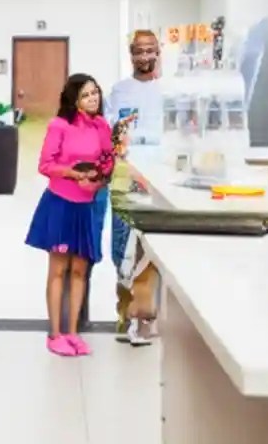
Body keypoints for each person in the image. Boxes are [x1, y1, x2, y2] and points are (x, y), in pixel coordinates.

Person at [26, 73, 113, 357]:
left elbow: (107, 161)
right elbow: (45, 165)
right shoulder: (59, 125)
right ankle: (55, 334)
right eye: (86, 95)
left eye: (95, 93)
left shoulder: (102, 125)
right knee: (58, 270)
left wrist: (98, 181)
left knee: (79, 271)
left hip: (86, 206)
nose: (93, 98)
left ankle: (73, 333)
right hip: (60, 204)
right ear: (74, 100)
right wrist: (73, 174)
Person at [104, 30, 163, 345]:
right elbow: (111, 133)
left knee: (149, 247)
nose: (144, 56)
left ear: (158, 52)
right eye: (139, 51)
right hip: (125, 175)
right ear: (131, 54)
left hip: (157, 179)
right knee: (120, 246)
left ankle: (145, 317)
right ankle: (125, 314)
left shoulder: (168, 91)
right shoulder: (119, 91)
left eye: (149, 50)